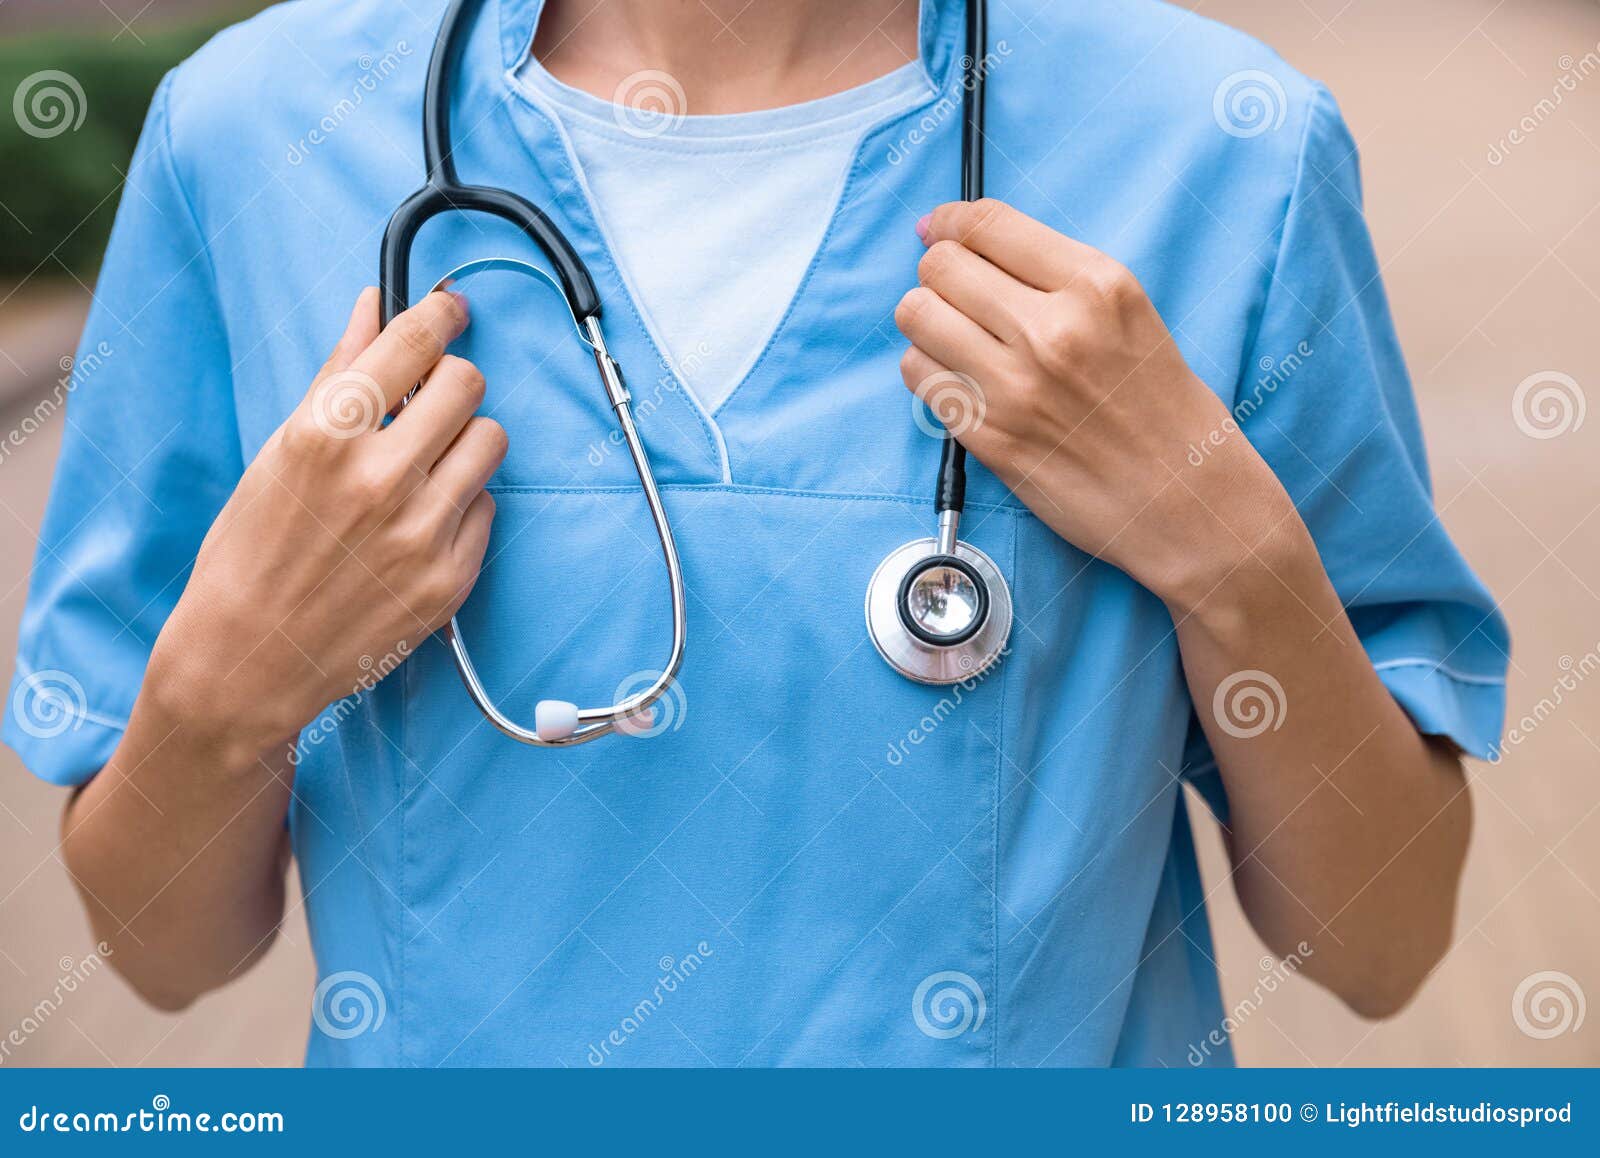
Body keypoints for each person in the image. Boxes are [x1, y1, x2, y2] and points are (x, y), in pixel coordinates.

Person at [6, 0, 1508, 1067]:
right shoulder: (254, 134)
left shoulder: (1220, 146)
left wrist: (1226, 548)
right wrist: (228, 688)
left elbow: (1379, 949)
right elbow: (167, 950)